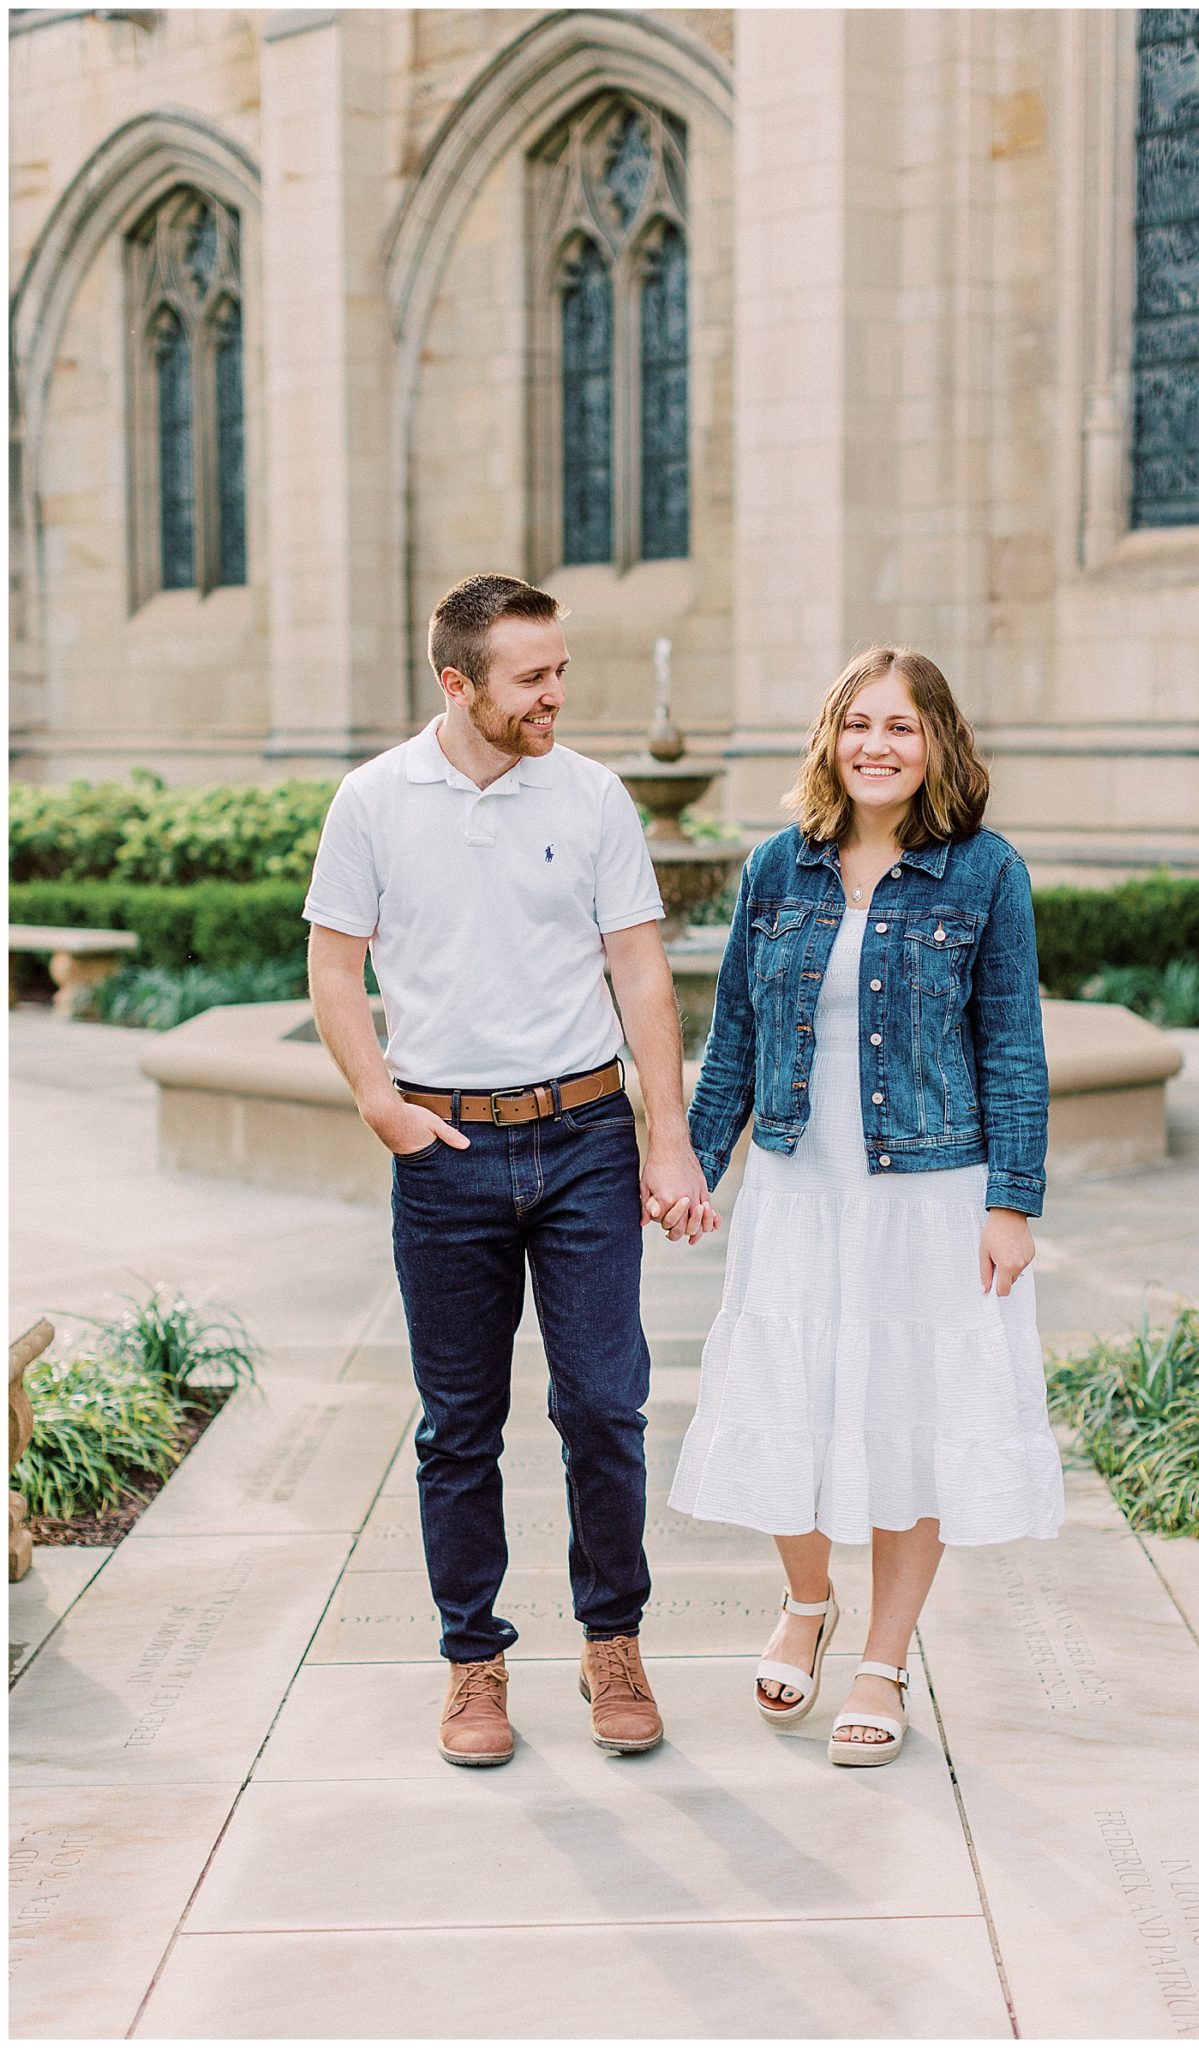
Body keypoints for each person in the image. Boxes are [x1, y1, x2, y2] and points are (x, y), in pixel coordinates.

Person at [305, 573, 716, 1768]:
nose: (556, 695)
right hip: (446, 1152)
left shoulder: (592, 795)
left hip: (586, 1136)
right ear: (457, 682)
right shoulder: (373, 800)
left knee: (604, 1403)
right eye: (532, 677)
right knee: (459, 1425)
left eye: (560, 671)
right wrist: (383, 1106)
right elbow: (336, 972)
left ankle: (613, 1640)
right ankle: (472, 1662)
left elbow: (640, 969)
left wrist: (668, 1134)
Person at [670, 645, 1064, 1766]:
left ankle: (884, 1657)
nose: (875, 745)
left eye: (899, 725)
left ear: (937, 740)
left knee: (909, 1416)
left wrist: (1012, 1200)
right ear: (829, 739)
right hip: (799, 1186)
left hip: (929, 1192)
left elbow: (1014, 1046)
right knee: (783, 1393)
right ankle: (806, 1600)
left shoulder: (985, 873)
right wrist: (697, 1161)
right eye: (857, 723)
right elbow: (735, 1035)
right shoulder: (775, 869)